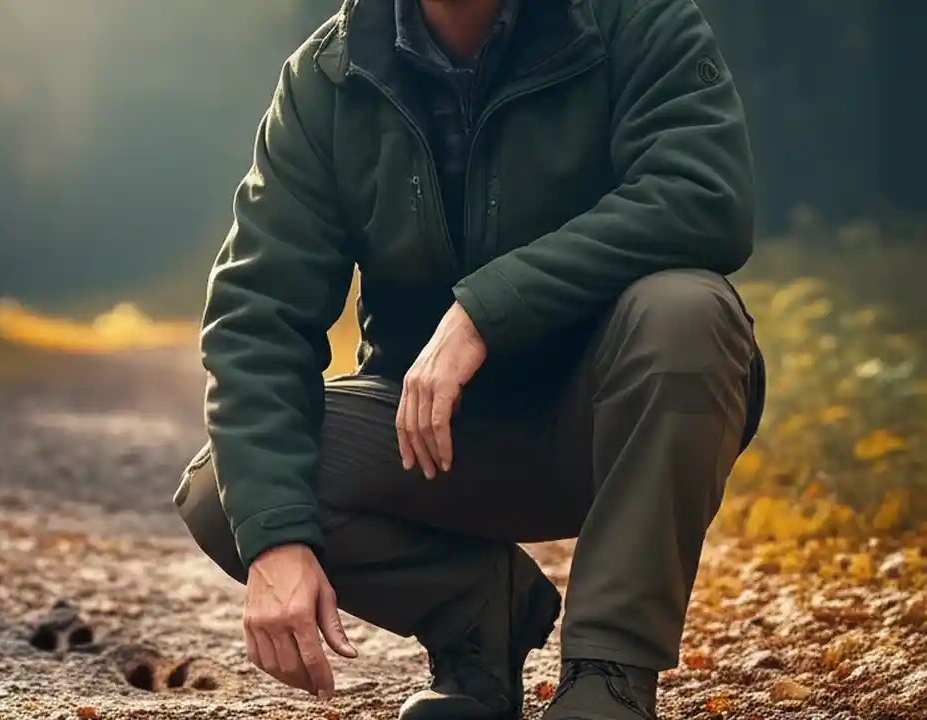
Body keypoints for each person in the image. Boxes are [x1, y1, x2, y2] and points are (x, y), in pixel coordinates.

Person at [173, 0, 766, 717]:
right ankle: (481, 621)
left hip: (617, 416)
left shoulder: (635, 20)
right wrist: (276, 545)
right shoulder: (329, 76)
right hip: (439, 441)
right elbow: (258, 317)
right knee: (234, 494)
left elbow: (705, 196)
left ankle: (609, 675)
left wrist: (487, 311)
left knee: (688, 312)